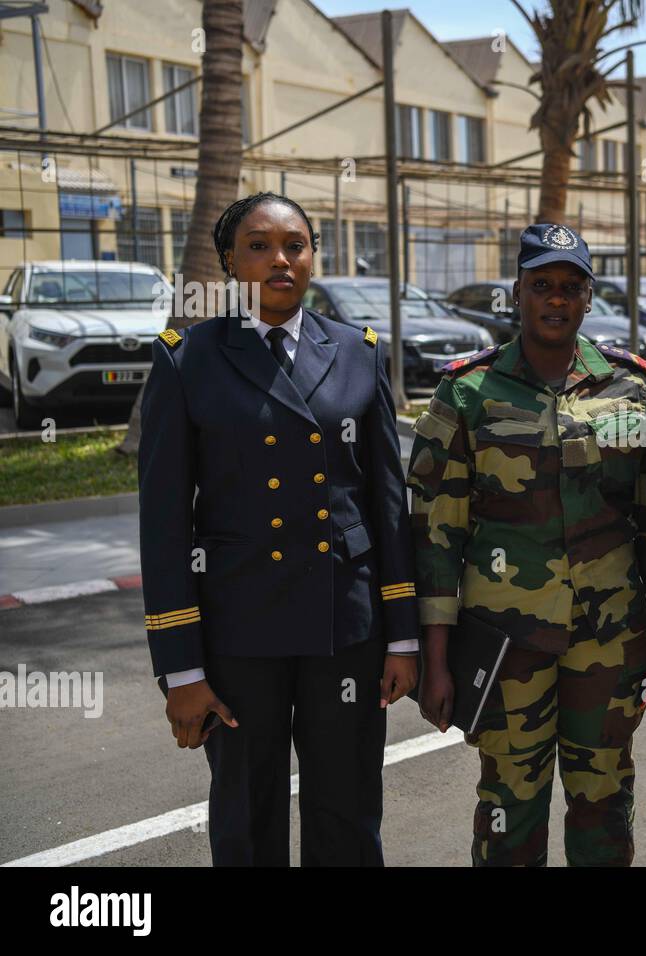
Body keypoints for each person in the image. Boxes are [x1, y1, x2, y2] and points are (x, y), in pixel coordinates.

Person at [138, 192, 419, 866]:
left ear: (313, 256)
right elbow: (165, 523)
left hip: (344, 630)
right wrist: (181, 668)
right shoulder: (190, 358)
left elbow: (386, 501)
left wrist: (402, 635)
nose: (279, 260)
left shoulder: (356, 351)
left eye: (294, 244)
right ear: (230, 263)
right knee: (246, 816)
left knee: (348, 813)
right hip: (240, 636)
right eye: (258, 246)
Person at [407, 223, 646, 867]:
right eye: (541, 285)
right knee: (508, 801)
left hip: (609, 640)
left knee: (605, 798)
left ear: (589, 299)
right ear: (517, 294)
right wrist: (435, 661)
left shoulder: (632, 387)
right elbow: (435, 535)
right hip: (504, 639)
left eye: (571, 287)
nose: (556, 299)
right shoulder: (467, 391)